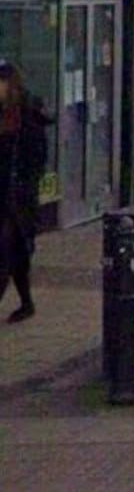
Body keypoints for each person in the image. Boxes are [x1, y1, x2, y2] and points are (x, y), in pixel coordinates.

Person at [0, 61, 49, 324]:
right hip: (2, 191)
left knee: (5, 248)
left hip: (18, 196)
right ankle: (27, 302)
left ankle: (26, 303)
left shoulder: (27, 117)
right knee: (15, 253)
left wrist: (24, 185)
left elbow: (36, 159)